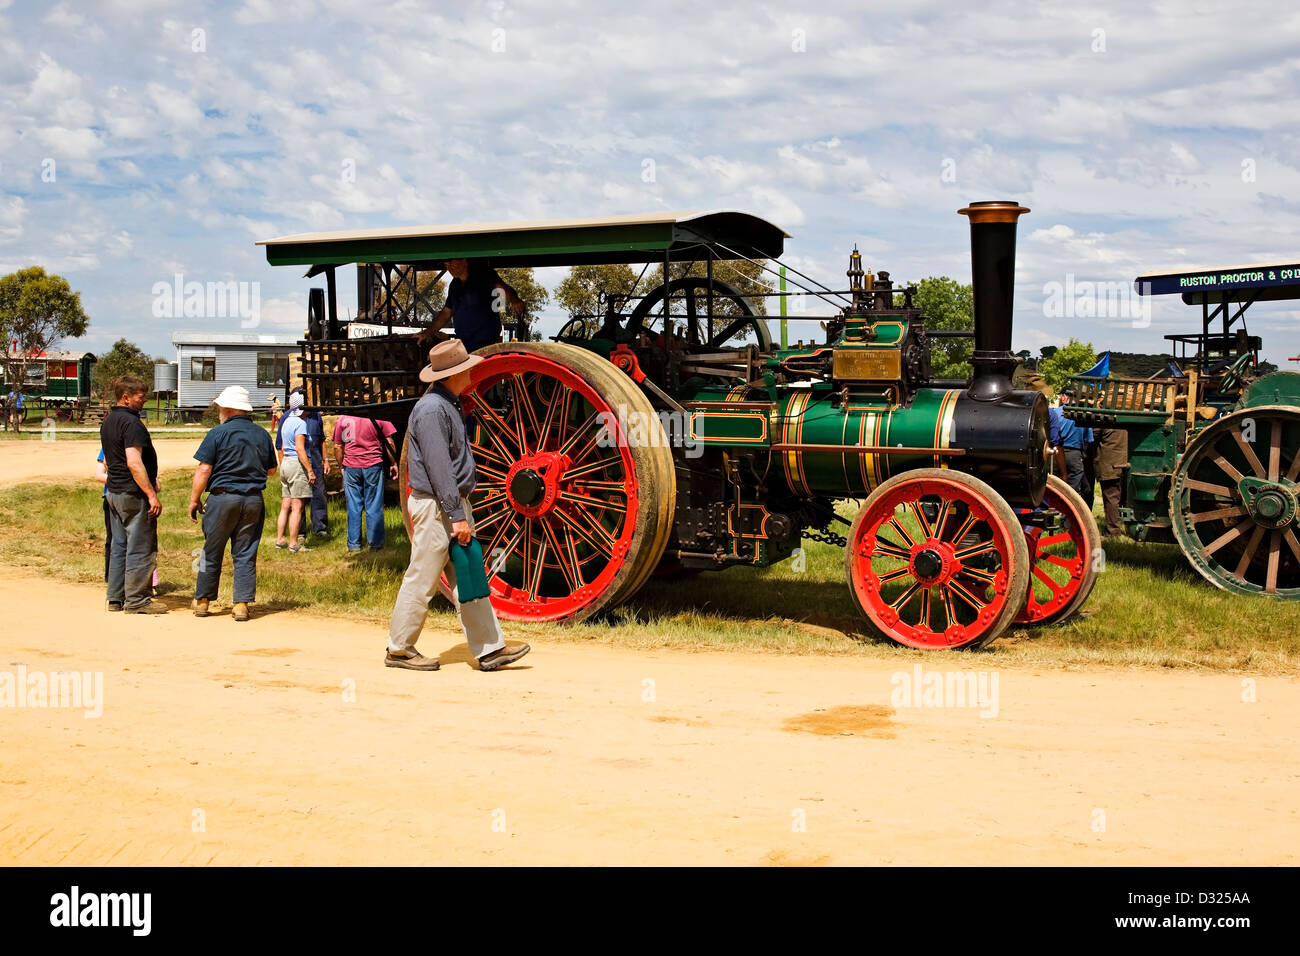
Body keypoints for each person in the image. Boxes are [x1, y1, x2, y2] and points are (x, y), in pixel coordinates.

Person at [387, 340, 529, 672]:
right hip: (438, 507)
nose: (471, 371)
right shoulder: (433, 410)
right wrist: (456, 515)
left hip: (448, 506)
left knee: (470, 577)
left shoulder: (447, 403)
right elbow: (440, 468)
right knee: (422, 579)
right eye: (467, 368)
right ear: (455, 373)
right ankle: (399, 649)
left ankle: (490, 648)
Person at [188, 385, 278, 622]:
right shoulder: (262, 434)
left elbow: (204, 469)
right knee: (245, 552)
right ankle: (241, 604)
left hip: (222, 498)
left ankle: (203, 600)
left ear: (227, 408)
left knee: (211, 550)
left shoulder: (217, 434)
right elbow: (271, 470)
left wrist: (194, 499)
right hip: (252, 500)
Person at [100, 375, 164, 613]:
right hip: (131, 493)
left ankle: (115, 598)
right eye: (140, 396)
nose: (144, 400)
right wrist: (151, 494)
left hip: (114, 492)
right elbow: (134, 462)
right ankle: (137, 600)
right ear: (125, 397)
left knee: (119, 546)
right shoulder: (132, 424)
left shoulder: (109, 422)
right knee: (140, 546)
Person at [417, 258, 525, 353]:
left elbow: (503, 288)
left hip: (487, 345)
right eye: (447, 265)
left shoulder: (484, 275)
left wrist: (515, 300)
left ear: (464, 261)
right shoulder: (454, 285)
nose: (450, 268)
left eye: (452, 264)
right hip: (463, 345)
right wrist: (427, 333)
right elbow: (446, 313)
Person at [332, 414, 398, 552]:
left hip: (351, 467)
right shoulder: (378, 417)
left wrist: (341, 466)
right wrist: (393, 462)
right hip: (373, 465)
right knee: (373, 505)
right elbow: (389, 442)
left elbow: (337, 446)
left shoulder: (343, 419)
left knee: (353, 506)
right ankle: (375, 544)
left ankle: (354, 544)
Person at [275, 391, 316, 552]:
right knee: (297, 506)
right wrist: (310, 470)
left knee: (286, 504)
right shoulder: (300, 424)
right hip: (296, 464)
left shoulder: (286, 421)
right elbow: (300, 449)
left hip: (285, 463)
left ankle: (280, 539)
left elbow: (284, 446)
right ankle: (293, 543)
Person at [1049, 389, 1094, 509]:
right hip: (1075, 454)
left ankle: (1053, 511)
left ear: (1064, 397)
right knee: (1074, 490)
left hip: (1056, 453)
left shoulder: (1055, 413)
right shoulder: (1083, 414)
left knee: (1055, 487)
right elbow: (1088, 439)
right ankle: (1069, 519)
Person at [1093, 427, 1130, 536]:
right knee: (1116, 497)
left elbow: (1092, 436)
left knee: (1111, 497)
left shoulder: (1106, 420)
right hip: (1121, 462)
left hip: (1110, 464)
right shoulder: (1122, 419)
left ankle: (1113, 531)